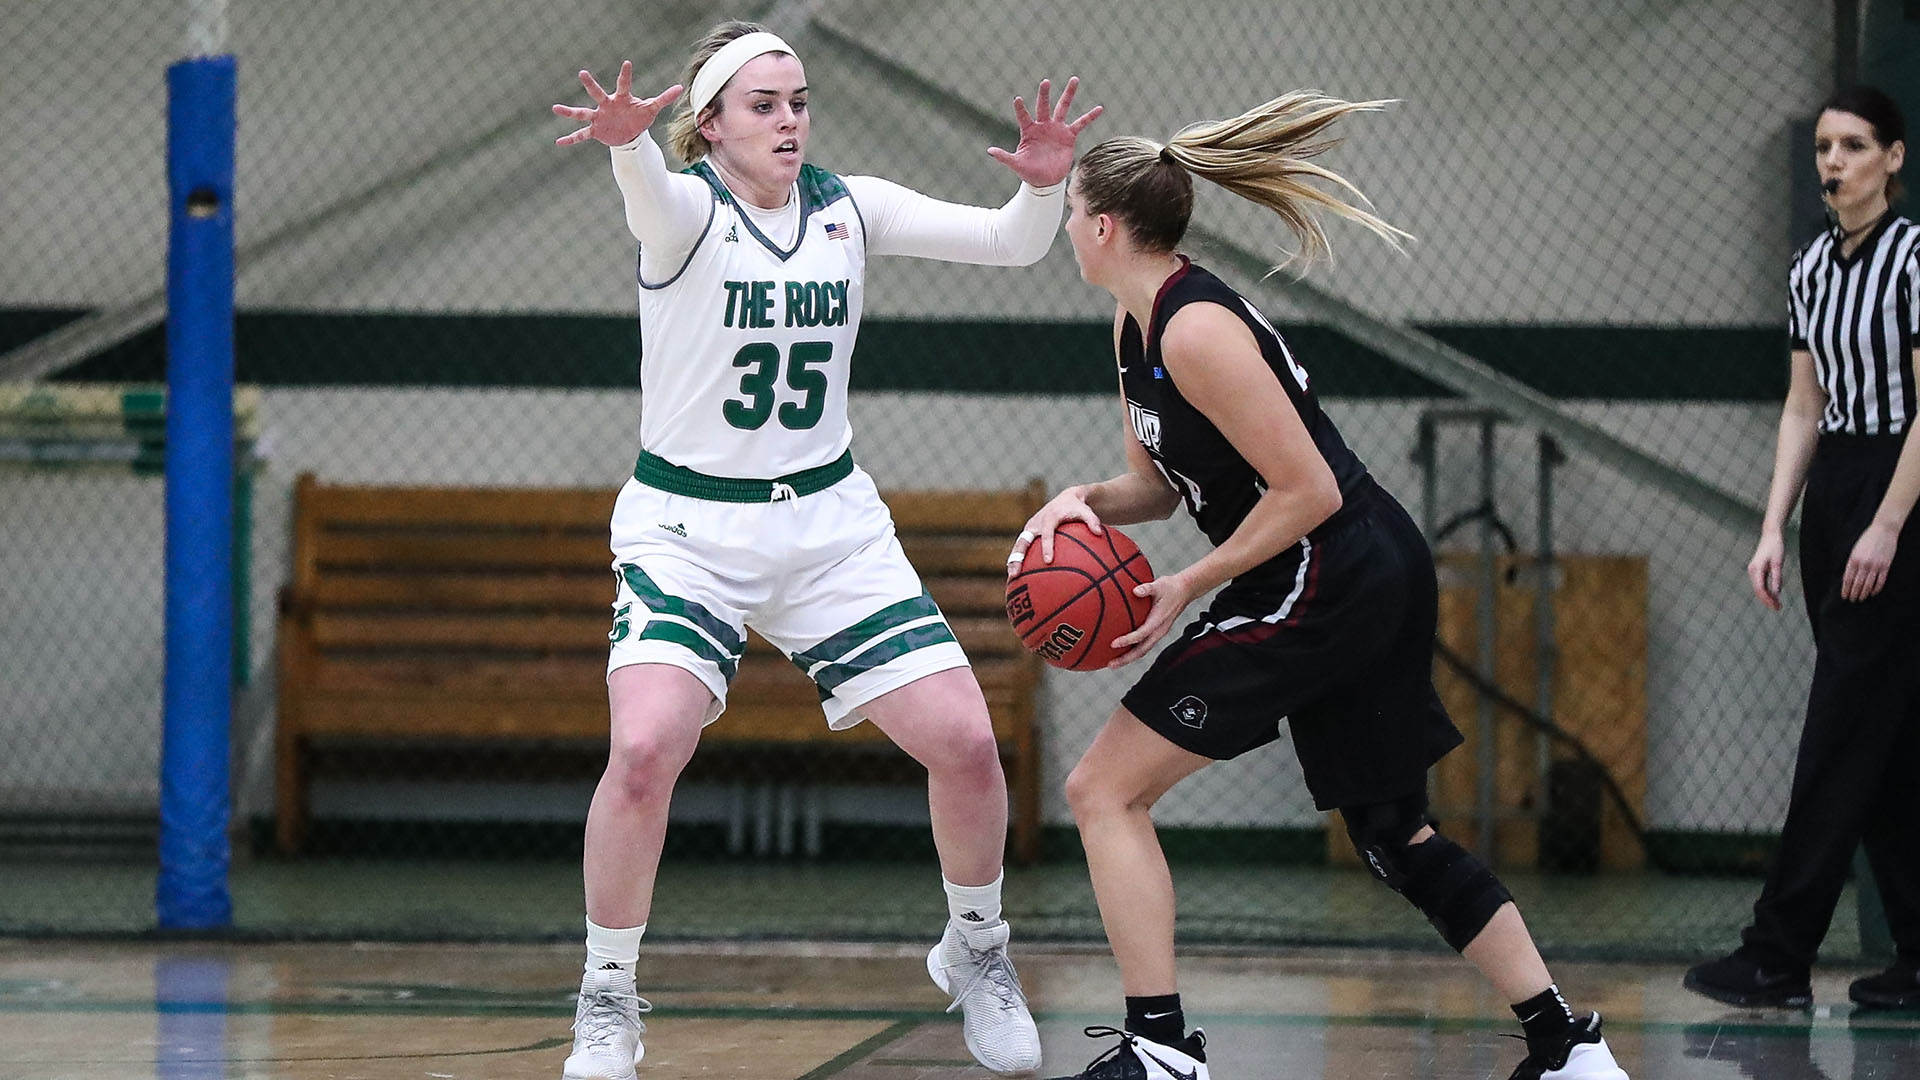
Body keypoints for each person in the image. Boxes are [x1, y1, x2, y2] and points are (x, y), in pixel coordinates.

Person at [1008, 94, 1629, 1080]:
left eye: (1070, 207)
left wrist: (1190, 586)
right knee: (1393, 834)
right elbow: (1160, 488)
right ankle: (1567, 1050)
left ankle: (1161, 1049)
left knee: (1101, 790)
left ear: (1102, 224)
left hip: (1327, 566)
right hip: (1333, 562)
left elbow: (1305, 489)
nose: (1064, 228)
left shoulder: (1196, 327)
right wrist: (1076, 504)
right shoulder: (1132, 328)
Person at [549, 20, 1100, 1079]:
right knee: (644, 750)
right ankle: (607, 994)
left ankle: (977, 948)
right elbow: (648, 195)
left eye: (799, 100)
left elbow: (1010, 243)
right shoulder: (687, 214)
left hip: (828, 526)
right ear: (709, 123)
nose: (790, 119)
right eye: (763, 104)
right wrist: (630, 144)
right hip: (688, 530)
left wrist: (1041, 187)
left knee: (969, 744)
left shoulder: (848, 209)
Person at [1684, 85, 1919, 1013]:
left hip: (1900, 492)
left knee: (1836, 734)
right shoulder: (1811, 268)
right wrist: (1772, 525)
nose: (1834, 162)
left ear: (1893, 159)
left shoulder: (1912, 261)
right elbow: (1802, 405)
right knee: (1888, 743)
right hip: (1835, 496)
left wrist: (1890, 524)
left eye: (1855, 145)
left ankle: (1777, 953)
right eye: (1825, 145)